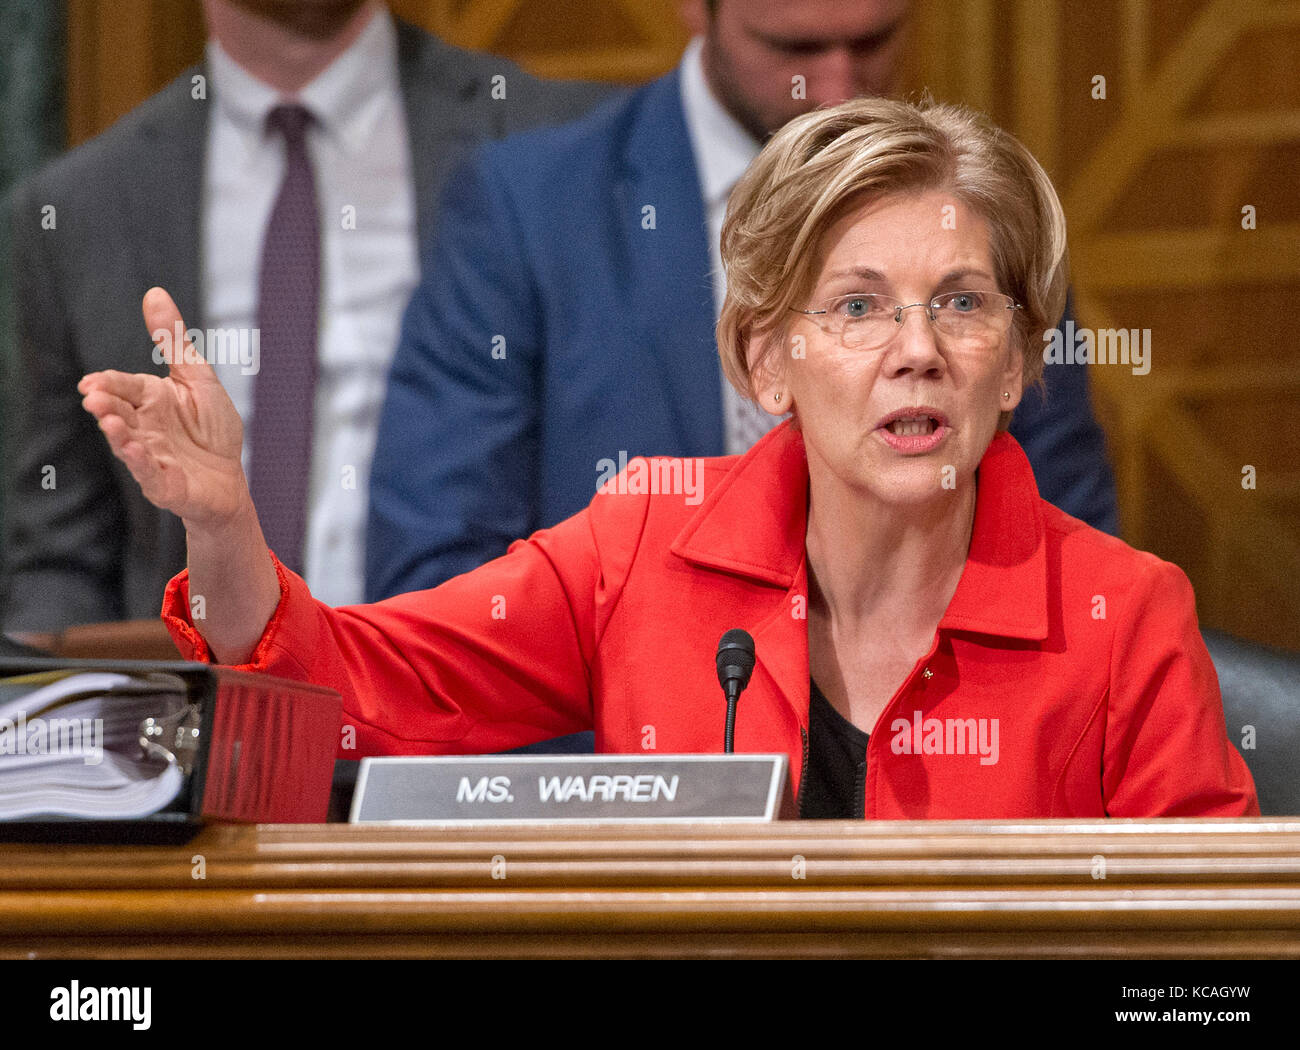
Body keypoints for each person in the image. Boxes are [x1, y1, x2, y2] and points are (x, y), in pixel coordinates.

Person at [77, 97, 1255, 819]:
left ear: (1013, 366)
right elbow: (352, 692)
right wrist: (226, 528)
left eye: (961, 304)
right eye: (855, 308)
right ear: (764, 362)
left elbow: (1209, 967)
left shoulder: (1124, 617)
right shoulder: (640, 545)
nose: (916, 350)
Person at [364, 0, 1120, 601]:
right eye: (793, 50)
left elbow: (1063, 549)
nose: (835, 86)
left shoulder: (977, 214)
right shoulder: (526, 210)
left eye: (872, 41)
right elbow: (441, 581)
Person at [0, 0, 609, 630]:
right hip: (200, 710)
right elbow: (62, 561)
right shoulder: (77, 208)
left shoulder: (559, 144)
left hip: (481, 691)